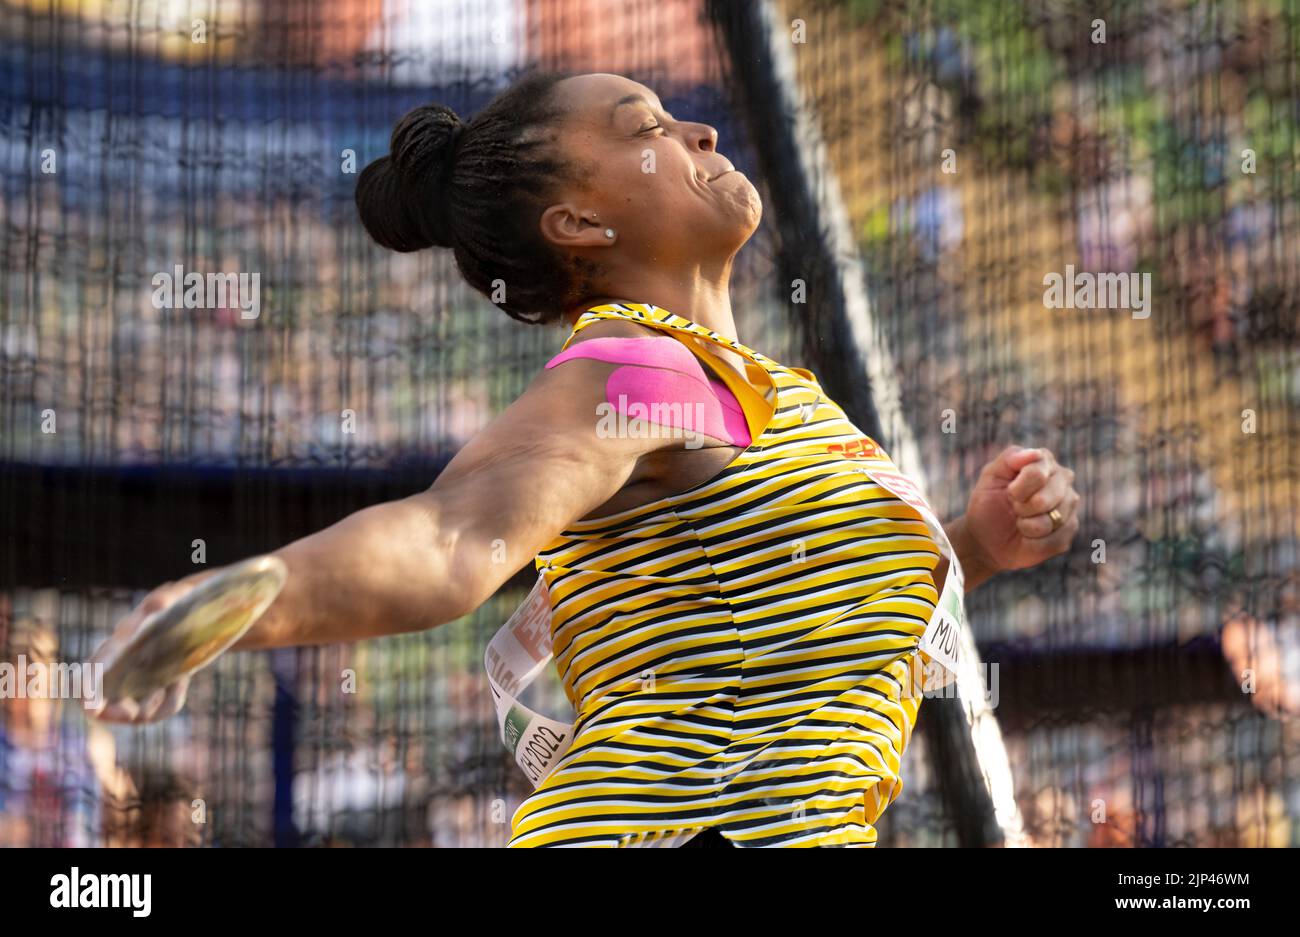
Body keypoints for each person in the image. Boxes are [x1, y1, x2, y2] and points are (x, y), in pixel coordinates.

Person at [90, 71, 1081, 847]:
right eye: (645, 126)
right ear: (578, 223)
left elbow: (802, 633)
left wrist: (973, 545)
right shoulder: (643, 367)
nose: (700, 132)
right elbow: (453, 536)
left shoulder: (769, 397)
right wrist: (237, 602)